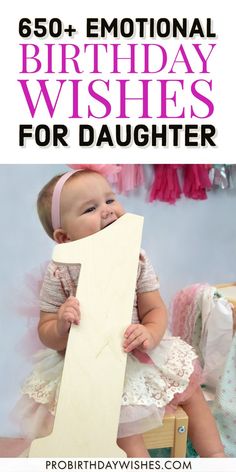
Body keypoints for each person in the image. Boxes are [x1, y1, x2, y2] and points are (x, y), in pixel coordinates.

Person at [18, 166, 225, 458]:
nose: (107, 211)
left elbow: (154, 308)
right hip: (89, 367)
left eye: (110, 200)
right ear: (64, 238)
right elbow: (46, 330)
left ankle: (215, 455)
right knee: (118, 424)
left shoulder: (136, 259)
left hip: (139, 354)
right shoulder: (60, 272)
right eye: (90, 208)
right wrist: (61, 325)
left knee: (192, 396)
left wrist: (150, 333)